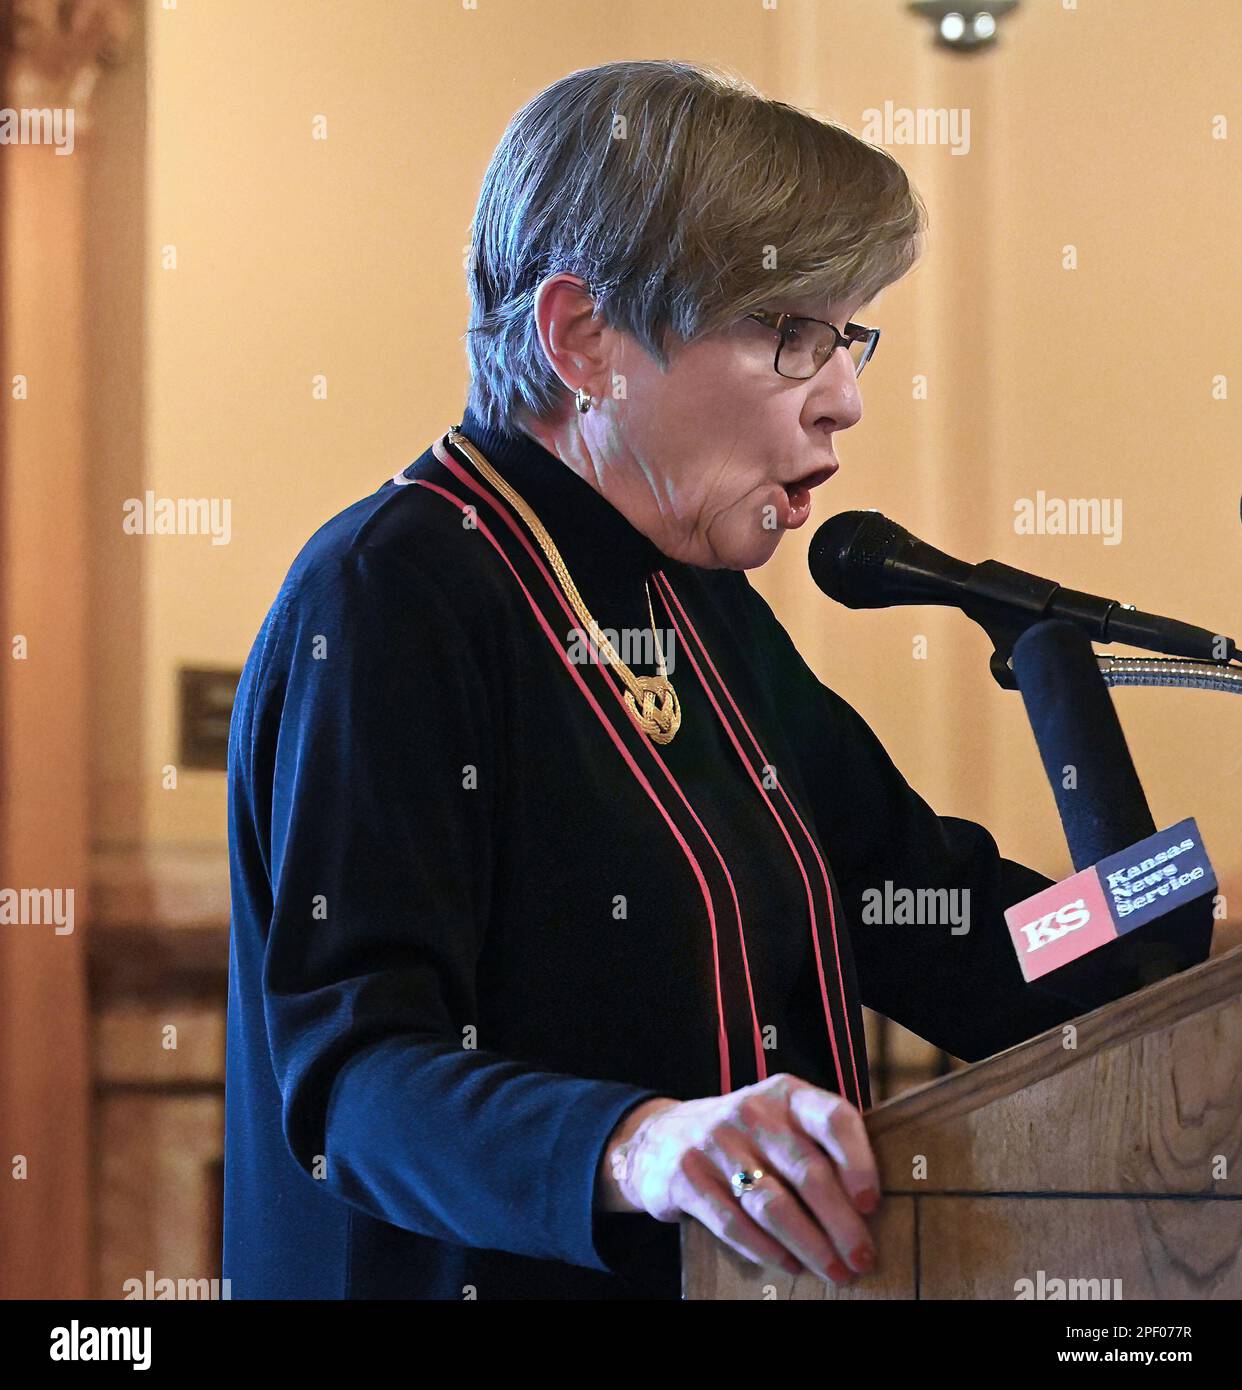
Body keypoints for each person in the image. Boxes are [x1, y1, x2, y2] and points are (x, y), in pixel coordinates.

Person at [222, 59, 1211, 1300]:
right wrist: (642, 1144)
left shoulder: (698, 603)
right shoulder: (388, 594)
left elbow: (935, 909)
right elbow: (356, 1076)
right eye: (792, 335)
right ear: (586, 339)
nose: (844, 401)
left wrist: (1164, 922)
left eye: (846, 336)